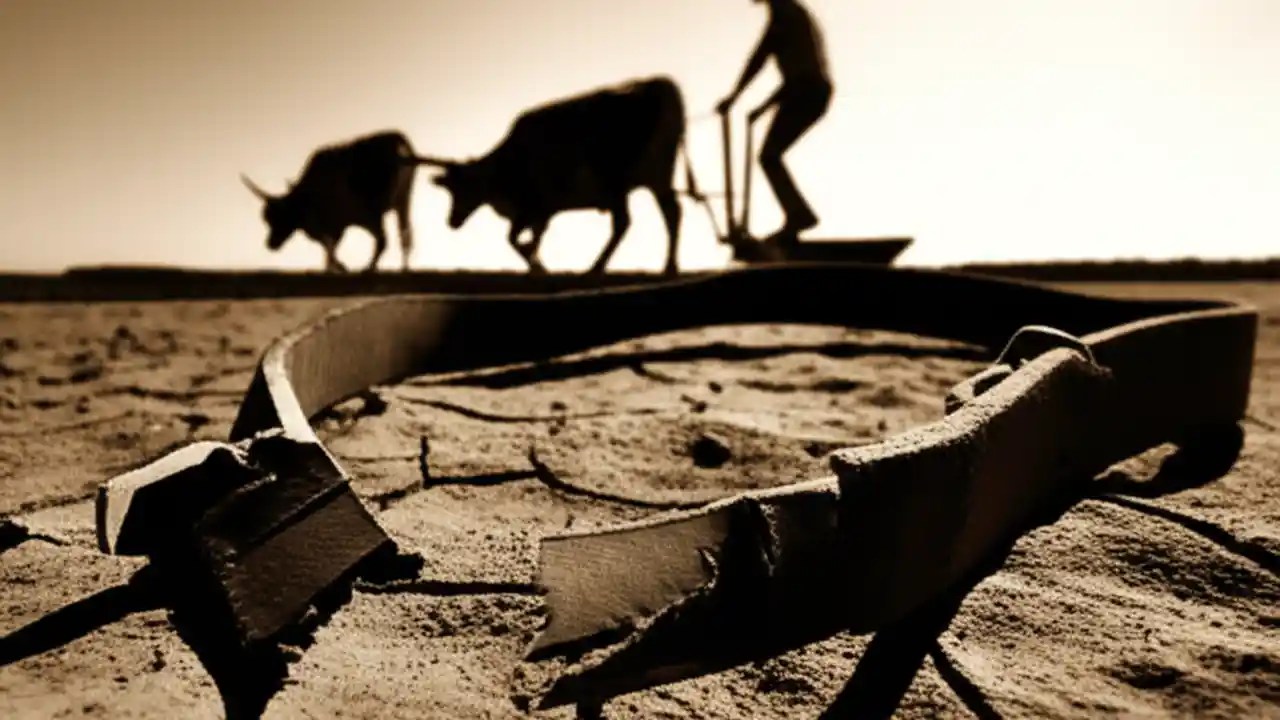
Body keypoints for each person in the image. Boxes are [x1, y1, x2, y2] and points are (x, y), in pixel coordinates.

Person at [717, 0, 834, 244]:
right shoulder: (791, 13)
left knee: (769, 156)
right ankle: (798, 215)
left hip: (806, 91)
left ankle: (799, 215)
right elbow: (789, 71)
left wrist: (735, 98)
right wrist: (759, 107)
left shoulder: (785, 15)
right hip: (810, 90)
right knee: (770, 156)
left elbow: (761, 59)